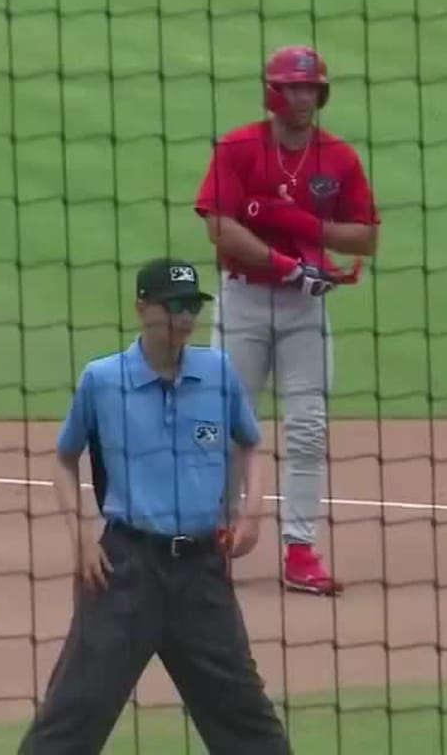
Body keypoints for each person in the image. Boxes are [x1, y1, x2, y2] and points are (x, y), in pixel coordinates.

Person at [17, 258, 291, 755]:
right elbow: (63, 459)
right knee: (74, 712)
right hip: (125, 570)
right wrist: (80, 535)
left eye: (191, 307)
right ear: (142, 307)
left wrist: (251, 512)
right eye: (173, 306)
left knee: (246, 719)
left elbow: (250, 443)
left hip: (202, 573)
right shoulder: (103, 380)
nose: (184, 318)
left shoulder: (217, 371)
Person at [192, 44, 381, 596]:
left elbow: (366, 235)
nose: (302, 97)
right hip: (244, 300)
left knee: (307, 427)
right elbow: (220, 227)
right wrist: (285, 265)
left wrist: (300, 226)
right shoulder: (239, 147)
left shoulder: (337, 158)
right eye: (293, 88)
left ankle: (300, 550)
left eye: (310, 88)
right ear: (273, 92)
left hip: (306, 308)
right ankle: (216, 538)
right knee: (226, 421)